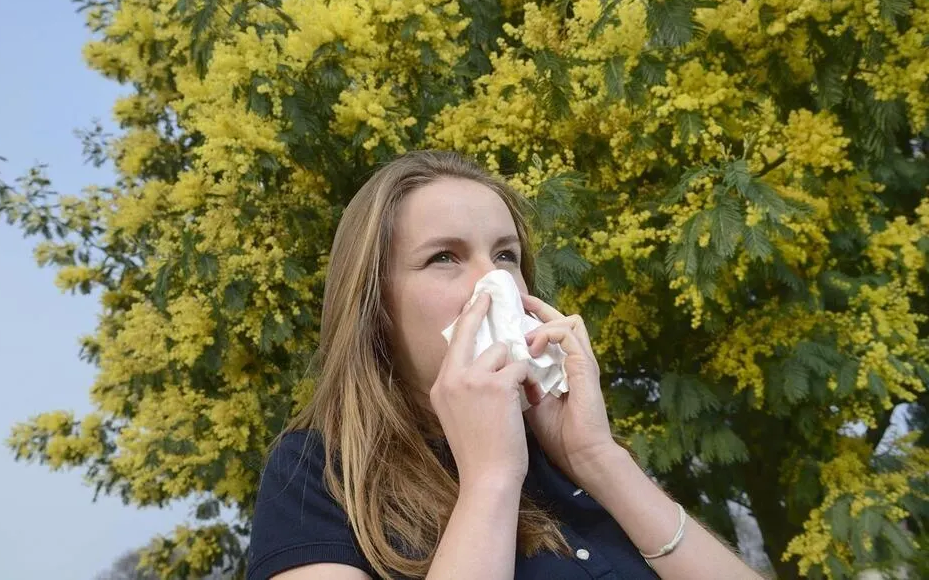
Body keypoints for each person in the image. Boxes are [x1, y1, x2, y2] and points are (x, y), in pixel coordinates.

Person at [245, 150, 763, 580]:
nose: (491, 284)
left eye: (505, 256)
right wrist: (491, 478)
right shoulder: (317, 475)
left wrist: (599, 458)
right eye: (444, 257)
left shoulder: (566, 450)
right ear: (375, 304)